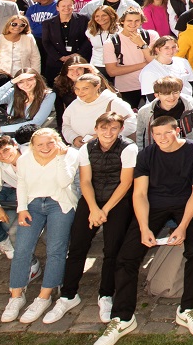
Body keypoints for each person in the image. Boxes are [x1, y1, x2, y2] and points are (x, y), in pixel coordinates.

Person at [94, 116, 193, 345]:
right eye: (157, 134)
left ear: (178, 131)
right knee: (126, 256)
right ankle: (123, 318)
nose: (162, 138)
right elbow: (139, 194)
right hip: (154, 205)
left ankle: (188, 309)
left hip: (186, 204)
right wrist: (144, 227)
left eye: (167, 133)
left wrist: (182, 226)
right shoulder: (146, 154)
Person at [0, 130, 81, 325]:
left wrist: (60, 158)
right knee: (22, 248)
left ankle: (44, 297)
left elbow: (64, 182)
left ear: (58, 142)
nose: (45, 148)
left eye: (50, 143)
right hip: (33, 204)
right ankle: (16, 296)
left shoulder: (70, 154)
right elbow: (22, 184)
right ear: (32, 145)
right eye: (40, 144)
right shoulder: (24, 159)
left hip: (60, 203)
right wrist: (22, 208)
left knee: (56, 249)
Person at [55, 112, 138, 323]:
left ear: (120, 129)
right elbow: (85, 181)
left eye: (113, 128)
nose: (108, 132)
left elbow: (126, 183)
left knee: (112, 250)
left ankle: (106, 294)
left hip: (117, 202)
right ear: (96, 129)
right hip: (92, 199)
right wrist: (93, 208)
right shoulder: (87, 148)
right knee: (77, 246)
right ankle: (68, 294)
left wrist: (105, 210)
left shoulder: (128, 148)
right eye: (103, 128)